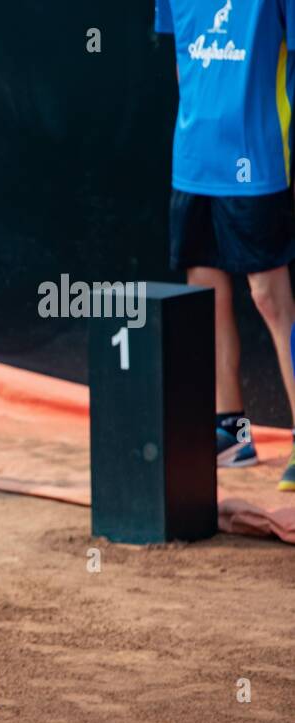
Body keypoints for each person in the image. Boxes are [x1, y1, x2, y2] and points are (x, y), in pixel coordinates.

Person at [156, 0, 295, 490]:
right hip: (193, 161)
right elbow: (183, 64)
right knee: (205, 294)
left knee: (269, 299)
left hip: (257, 159)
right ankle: (231, 432)